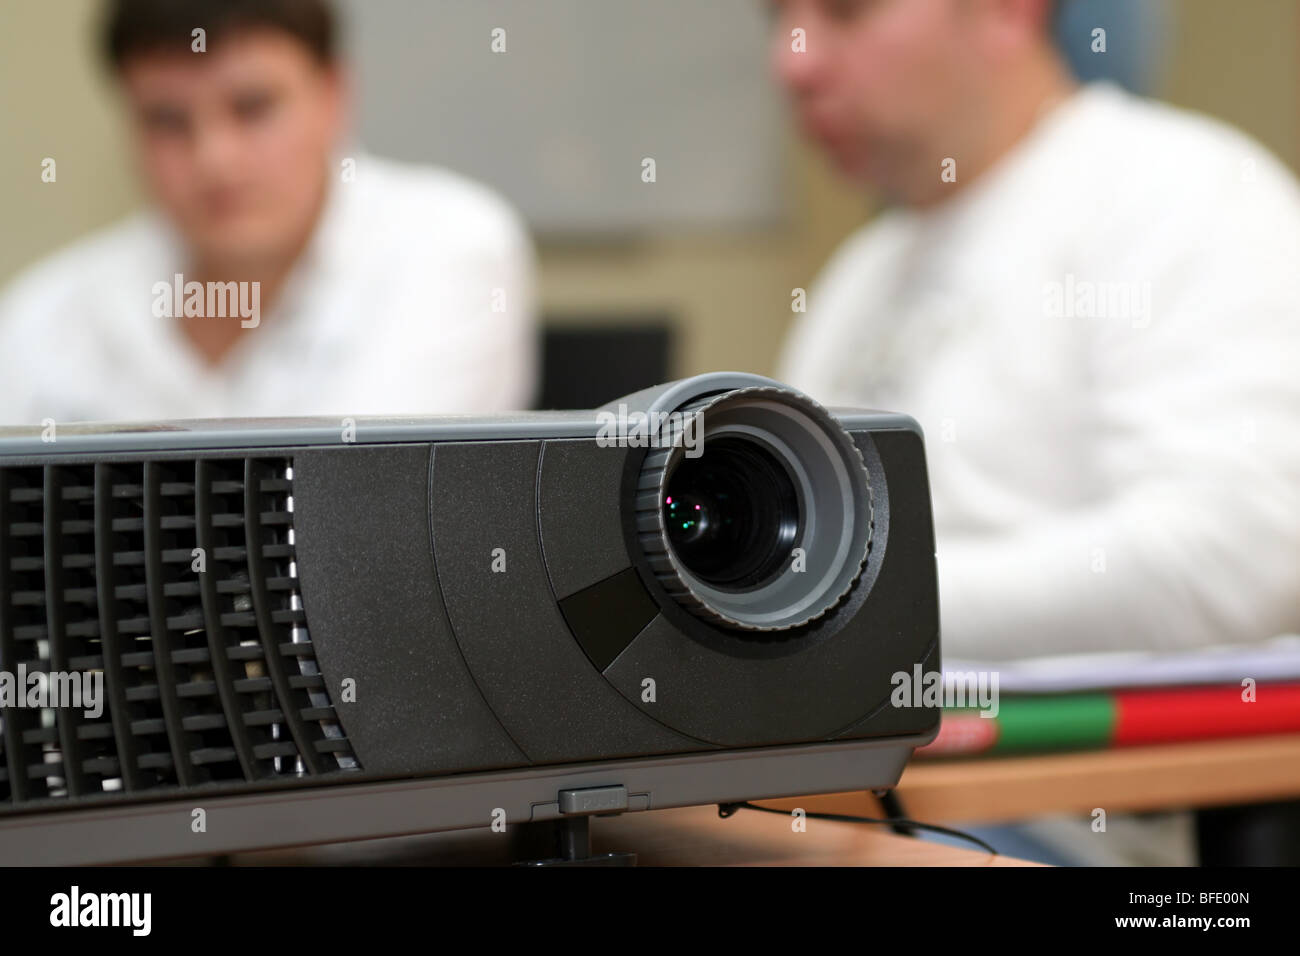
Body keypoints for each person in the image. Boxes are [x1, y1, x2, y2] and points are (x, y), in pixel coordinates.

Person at [770, 0, 1300, 662]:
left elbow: (1237, 562)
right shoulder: (862, 272)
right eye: (775, 19)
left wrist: (806, 607)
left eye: (847, 11)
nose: (791, 62)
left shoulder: (1188, 193)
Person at [0, 0, 537, 423]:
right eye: (167, 120)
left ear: (334, 94)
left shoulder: (450, 248)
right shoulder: (43, 316)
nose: (215, 160)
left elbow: (368, 517)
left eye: (253, 107)